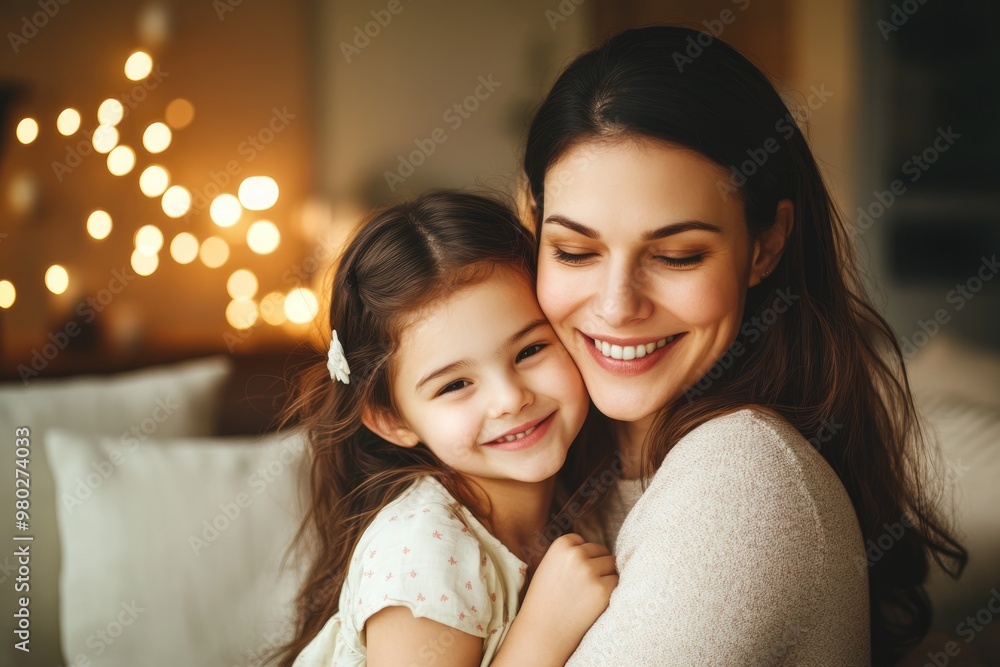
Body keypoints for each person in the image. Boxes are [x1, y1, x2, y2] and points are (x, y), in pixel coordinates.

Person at [522, 25, 967, 665]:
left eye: (677, 256)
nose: (617, 306)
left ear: (766, 246)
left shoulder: (739, 482)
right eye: (574, 251)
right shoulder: (556, 461)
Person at [273, 191, 618, 667]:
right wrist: (543, 633)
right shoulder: (422, 555)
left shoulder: (582, 493)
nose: (510, 398)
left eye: (530, 350)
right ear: (392, 420)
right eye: (455, 384)